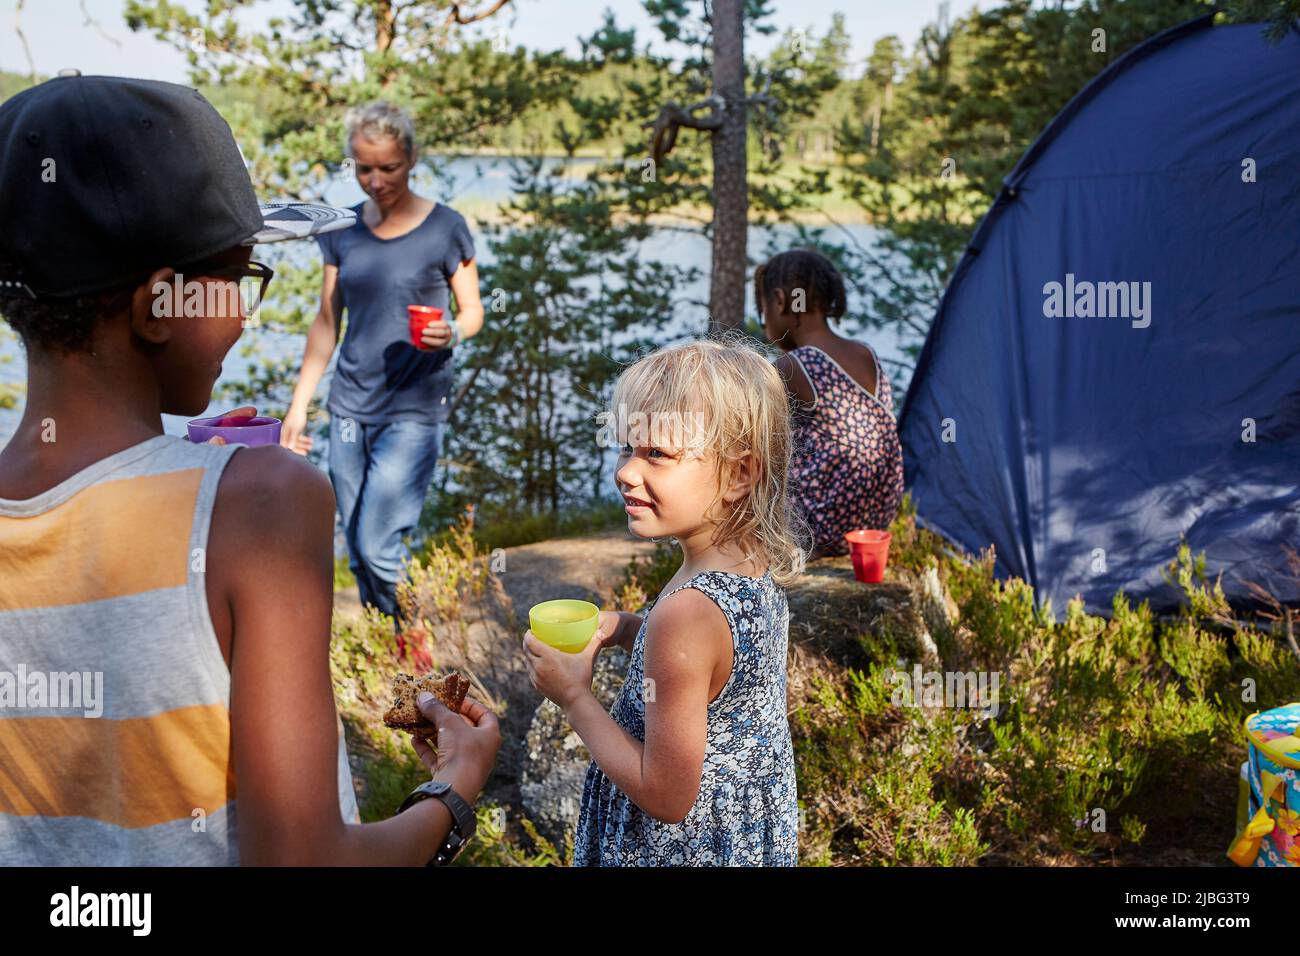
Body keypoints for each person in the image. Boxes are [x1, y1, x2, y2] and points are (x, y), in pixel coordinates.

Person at [0, 75, 499, 865]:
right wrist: (454, 793)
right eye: (242, 277)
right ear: (158, 306)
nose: (247, 310)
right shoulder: (258, 502)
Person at [523, 336, 805, 865]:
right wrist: (631, 628)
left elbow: (666, 795)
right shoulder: (747, 570)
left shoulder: (687, 614)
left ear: (739, 474)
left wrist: (574, 698)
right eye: (628, 449)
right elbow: (719, 674)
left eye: (657, 454)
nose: (627, 472)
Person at [280, 101, 484, 637]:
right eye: (364, 168)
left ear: (412, 158)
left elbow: (474, 311)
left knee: (378, 542)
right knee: (355, 544)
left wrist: (454, 331)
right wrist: (299, 405)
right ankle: (385, 645)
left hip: (414, 410)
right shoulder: (342, 229)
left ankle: (415, 641)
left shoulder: (446, 229)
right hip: (349, 404)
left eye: (388, 167)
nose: (375, 180)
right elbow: (327, 319)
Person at [756, 249, 904, 558]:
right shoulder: (867, 355)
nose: (764, 322)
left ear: (781, 301)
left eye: (763, 309)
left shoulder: (793, 366)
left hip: (817, 531)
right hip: (872, 525)